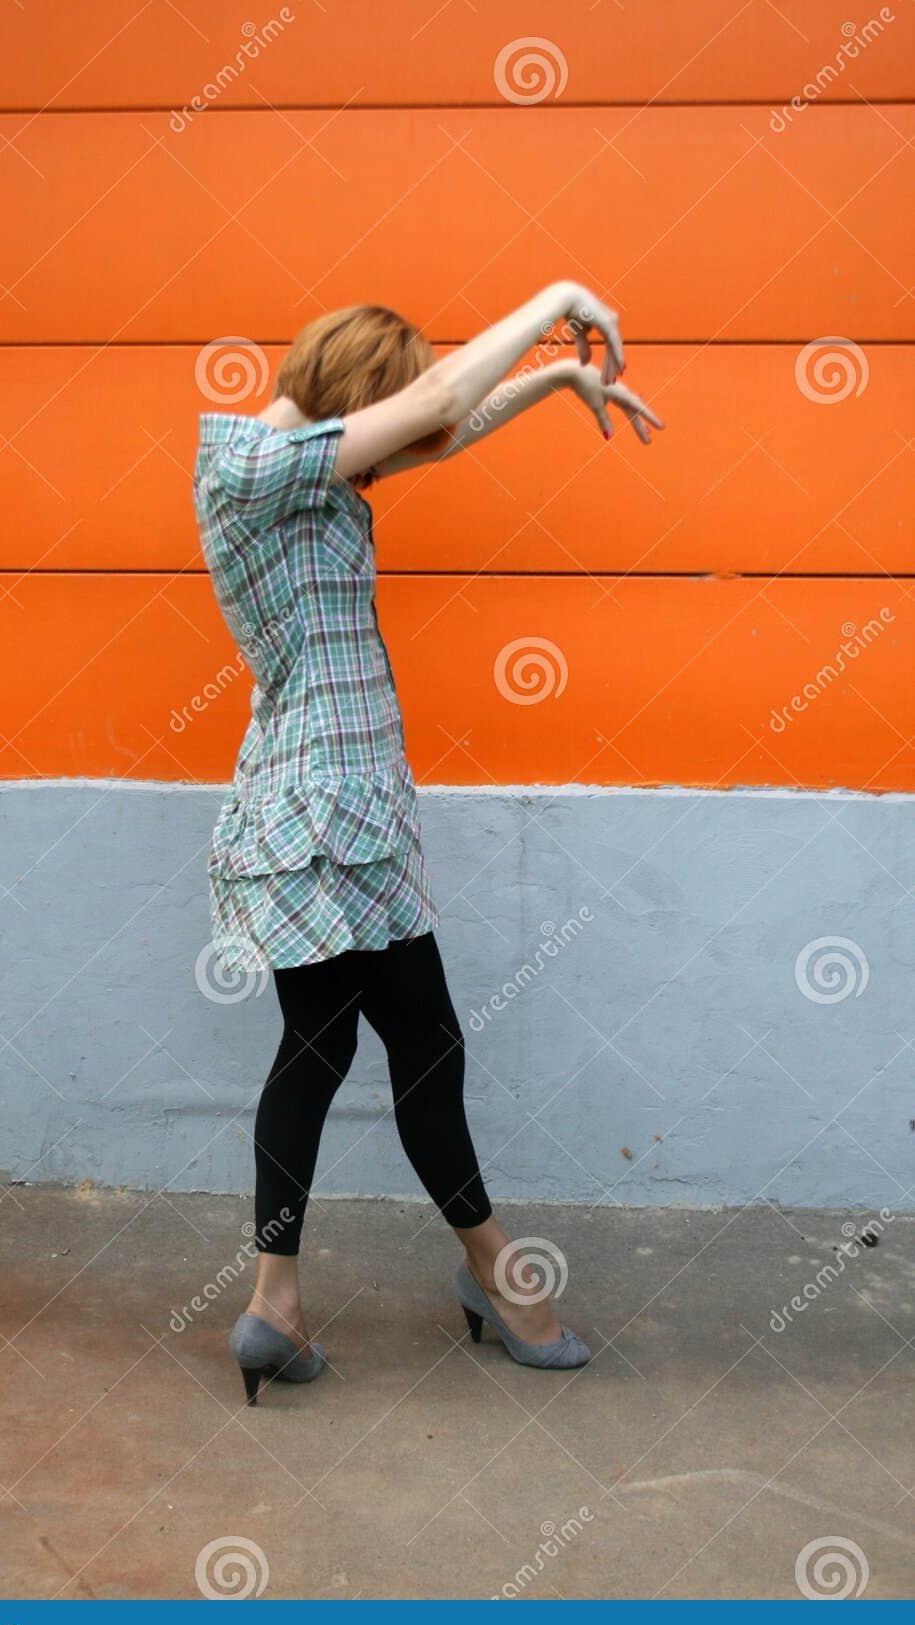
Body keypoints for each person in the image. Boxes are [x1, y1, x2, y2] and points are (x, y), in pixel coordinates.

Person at [192, 283, 663, 1405]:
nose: (390, 448)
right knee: (418, 1050)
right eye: (384, 414)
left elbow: (443, 429)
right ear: (357, 394)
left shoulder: (296, 467)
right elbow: (440, 400)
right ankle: (492, 1277)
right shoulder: (250, 468)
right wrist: (554, 302)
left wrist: (552, 381)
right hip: (329, 812)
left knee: (328, 1050)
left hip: (329, 805)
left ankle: (281, 1302)